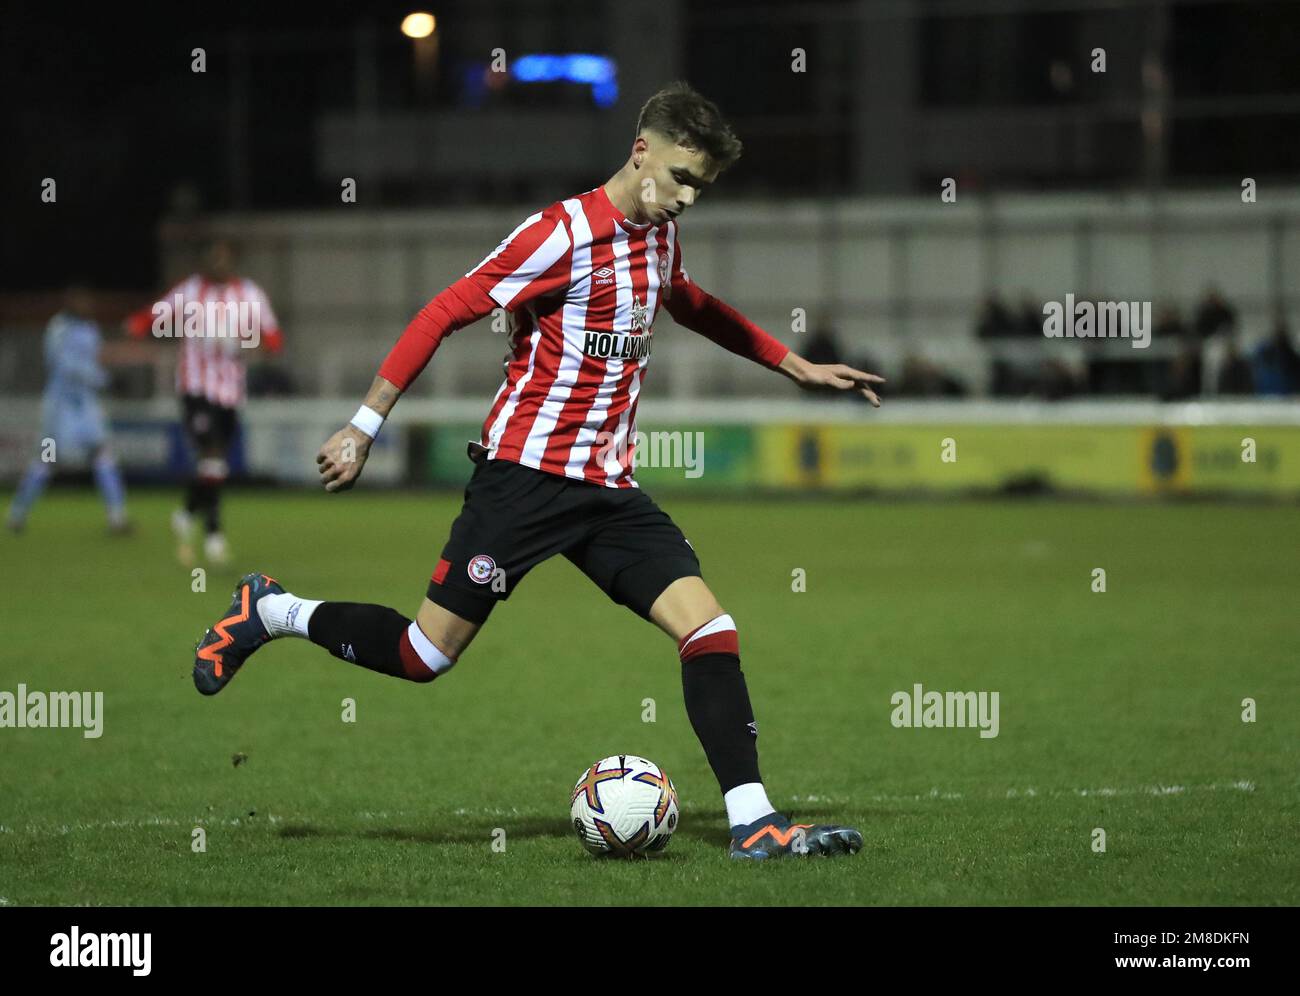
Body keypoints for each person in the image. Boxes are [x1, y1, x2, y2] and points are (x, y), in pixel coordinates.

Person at [190, 82, 882, 860]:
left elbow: (687, 301)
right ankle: (271, 611)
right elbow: (444, 310)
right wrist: (363, 425)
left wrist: (793, 365)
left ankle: (754, 822)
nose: (689, 198)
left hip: (608, 491)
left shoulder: (658, 235)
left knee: (711, 629)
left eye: (703, 187)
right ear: (641, 151)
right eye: (683, 178)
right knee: (424, 656)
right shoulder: (558, 234)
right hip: (521, 480)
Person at [125, 239, 283, 565]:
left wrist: (253, 347)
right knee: (210, 456)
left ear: (233, 262)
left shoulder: (249, 294)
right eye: (214, 258)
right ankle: (213, 535)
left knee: (216, 465)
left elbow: (272, 338)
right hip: (195, 387)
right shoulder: (192, 290)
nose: (219, 265)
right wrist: (137, 326)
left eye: (225, 259)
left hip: (230, 391)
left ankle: (185, 513)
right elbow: (157, 314)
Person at [6, 285, 131, 534]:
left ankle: (117, 518)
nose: (86, 306)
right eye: (80, 301)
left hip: (85, 407)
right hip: (60, 408)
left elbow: (91, 361)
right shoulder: (59, 328)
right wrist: (105, 380)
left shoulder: (90, 328)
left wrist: (103, 379)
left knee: (103, 454)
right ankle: (17, 515)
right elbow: (65, 366)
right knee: (46, 460)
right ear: (69, 302)